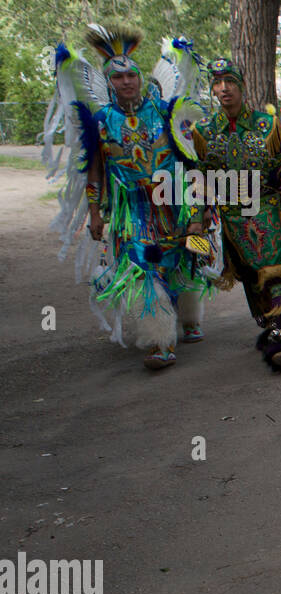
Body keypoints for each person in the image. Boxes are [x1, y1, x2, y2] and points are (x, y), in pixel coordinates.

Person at [46, 26, 211, 369]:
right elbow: (95, 170)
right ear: (109, 82)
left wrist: (199, 209)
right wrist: (95, 213)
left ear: (141, 76)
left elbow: (191, 163)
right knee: (140, 268)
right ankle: (159, 340)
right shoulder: (101, 122)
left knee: (183, 261)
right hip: (131, 212)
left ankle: (189, 317)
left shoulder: (167, 111)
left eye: (131, 74)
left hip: (174, 205)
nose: (125, 82)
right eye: (118, 77)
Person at [192, 58, 281, 370]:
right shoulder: (203, 132)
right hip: (230, 217)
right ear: (212, 89)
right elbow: (200, 176)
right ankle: (270, 327)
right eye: (217, 82)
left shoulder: (266, 125)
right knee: (249, 275)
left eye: (229, 81)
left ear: (241, 85)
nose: (224, 88)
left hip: (265, 208)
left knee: (275, 269)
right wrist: (197, 215)